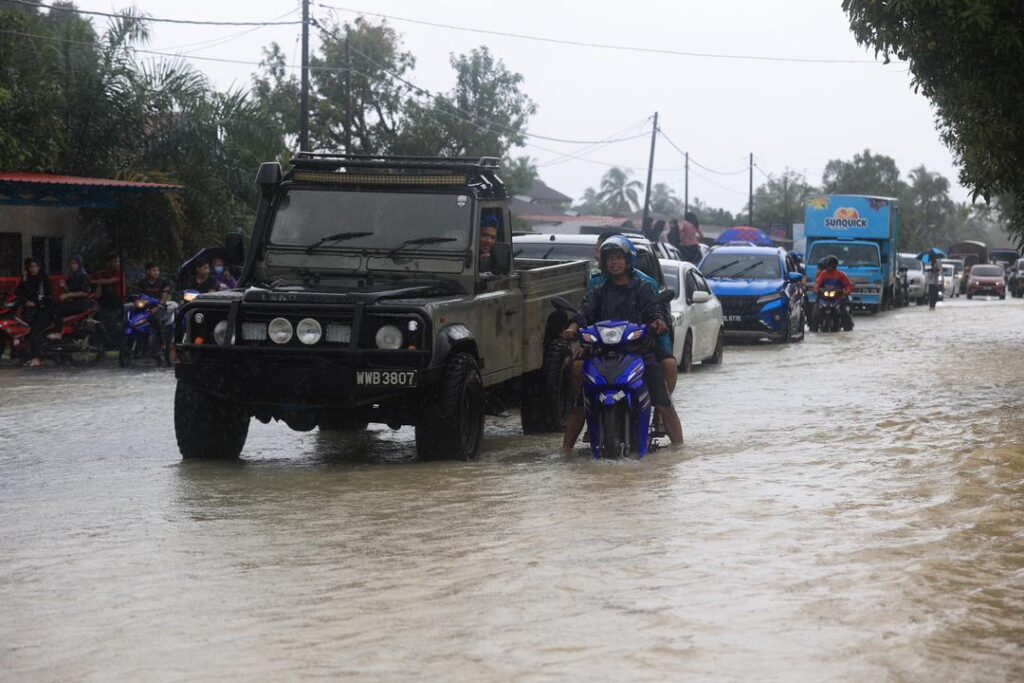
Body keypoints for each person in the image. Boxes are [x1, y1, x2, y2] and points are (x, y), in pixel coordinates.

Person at [561, 236, 684, 450]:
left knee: (663, 401)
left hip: (639, 351)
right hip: (602, 353)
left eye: (618, 258)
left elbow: (654, 310)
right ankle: (565, 452)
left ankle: (679, 449)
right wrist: (572, 328)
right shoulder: (599, 290)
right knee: (580, 400)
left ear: (628, 261)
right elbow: (584, 311)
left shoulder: (643, 288)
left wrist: (658, 323)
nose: (614, 262)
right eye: (609, 258)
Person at [13, 258, 55, 367]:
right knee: (26, 331)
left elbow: (47, 296)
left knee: (34, 330)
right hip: (32, 311)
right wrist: (25, 279)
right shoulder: (28, 278)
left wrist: (35, 303)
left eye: (35, 266)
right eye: (31, 266)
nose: (33, 269)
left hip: (45, 310)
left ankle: (36, 358)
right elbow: (19, 292)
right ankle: (28, 356)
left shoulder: (43, 279)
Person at [134, 262, 175, 363]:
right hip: (144, 307)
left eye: (157, 270)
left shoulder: (163, 282)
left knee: (156, 320)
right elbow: (138, 295)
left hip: (159, 307)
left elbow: (164, 297)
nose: (156, 273)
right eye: (154, 270)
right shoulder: (142, 283)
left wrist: (157, 307)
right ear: (148, 271)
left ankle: (162, 343)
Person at [92, 253, 126, 341]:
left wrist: (99, 282)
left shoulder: (119, 274)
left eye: (118, 262)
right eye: (115, 262)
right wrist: (98, 283)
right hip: (104, 304)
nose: (117, 264)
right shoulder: (101, 273)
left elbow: (111, 281)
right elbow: (94, 282)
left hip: (117, 303)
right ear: (109, 263)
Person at [815, 255, 855, 330]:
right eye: (829, 264)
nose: (830, 267)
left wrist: (846, 292)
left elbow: (848, 285)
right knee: (816, 311)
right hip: (825, 296)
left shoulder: (841, 274)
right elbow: (818, 284)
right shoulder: (823, 274)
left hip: (838, 297)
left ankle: (848, 327)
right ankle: (814, 327)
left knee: (844, 312)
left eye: (831, 264)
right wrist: (818, 290)